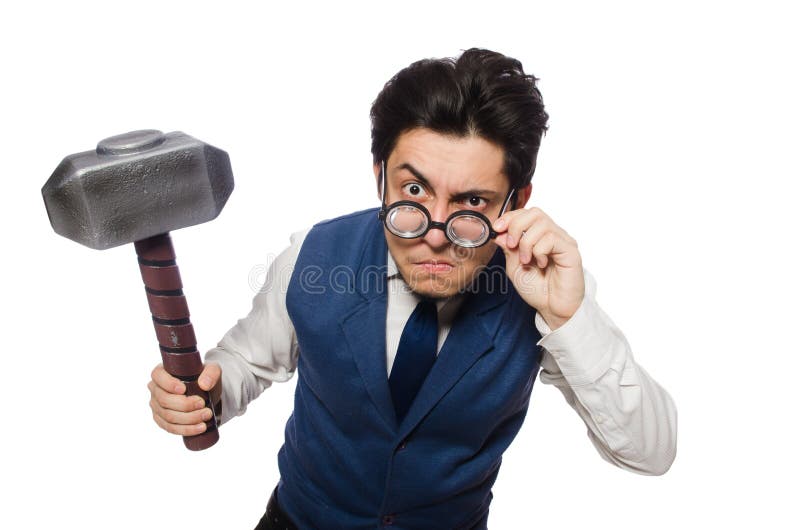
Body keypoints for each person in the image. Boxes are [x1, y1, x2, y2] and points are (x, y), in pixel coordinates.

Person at [147, 48, 677, 529]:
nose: (434, 232)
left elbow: (649, 454)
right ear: (380, 176)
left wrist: (570, 319)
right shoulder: (312, 256)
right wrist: (208, 395)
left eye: (472, 203)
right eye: (415, 190)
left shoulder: (545, 292)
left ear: (515, 203)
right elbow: (249, 360)